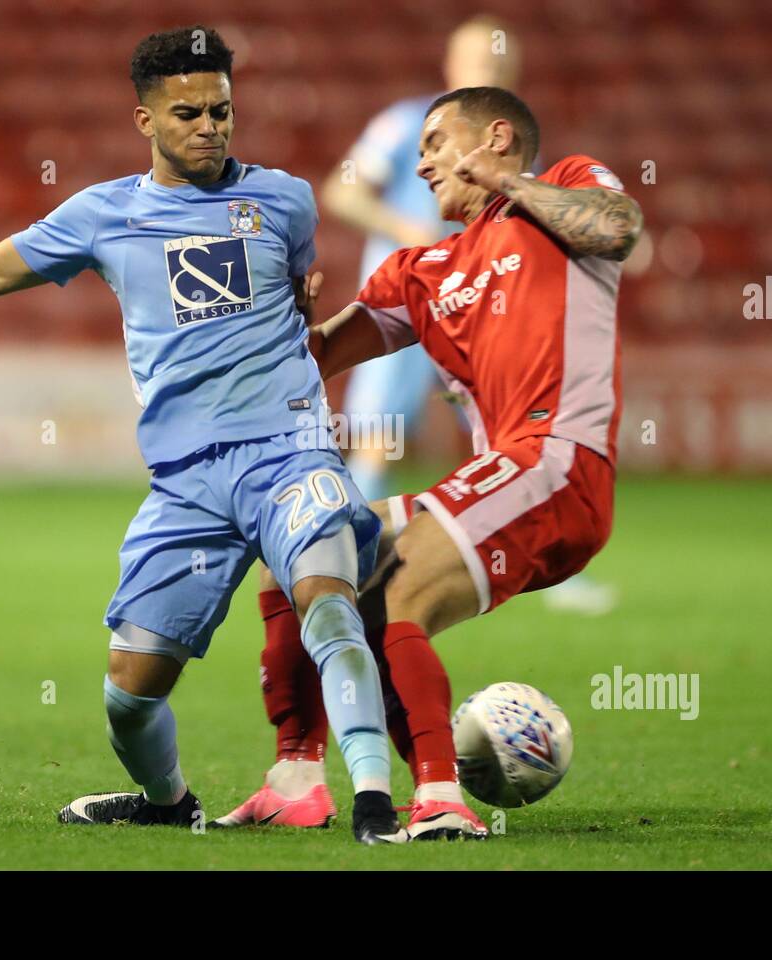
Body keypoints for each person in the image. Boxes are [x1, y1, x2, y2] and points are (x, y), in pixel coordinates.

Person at [0, 26, 406, 845]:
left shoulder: (285, 199)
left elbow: (300, 302)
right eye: (189, 112)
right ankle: (168, 801)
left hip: (289, 451)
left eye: (223, 110)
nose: (211, 126)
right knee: (129, 692)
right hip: (186, 481)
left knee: (328, 605)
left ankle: (376, 805)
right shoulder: (104, 214)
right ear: (144, 120)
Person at [214, 87, 641, 839]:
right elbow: (315, 358)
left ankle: (441, 800)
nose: (422, 160)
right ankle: (297, 778)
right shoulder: (425, 270)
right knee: (302, 557)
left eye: (438, 141)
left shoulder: (569, 186)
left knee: (400, 587)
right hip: (503, 475)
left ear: (498, 137)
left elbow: (618, 229)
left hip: (557, 464)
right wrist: (280, 316)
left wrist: (507, 185)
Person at [322, 15, 521, 503]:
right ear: (451, 65)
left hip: (479, 305)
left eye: (497, 61)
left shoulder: (515, 145)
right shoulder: (408, 123)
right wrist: (407, 229)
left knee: (509, 434)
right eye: (477, 59)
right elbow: (342, 192)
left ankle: (539, 562)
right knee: (378, 436)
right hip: (407, 298)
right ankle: (347, 545)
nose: (487, 71)